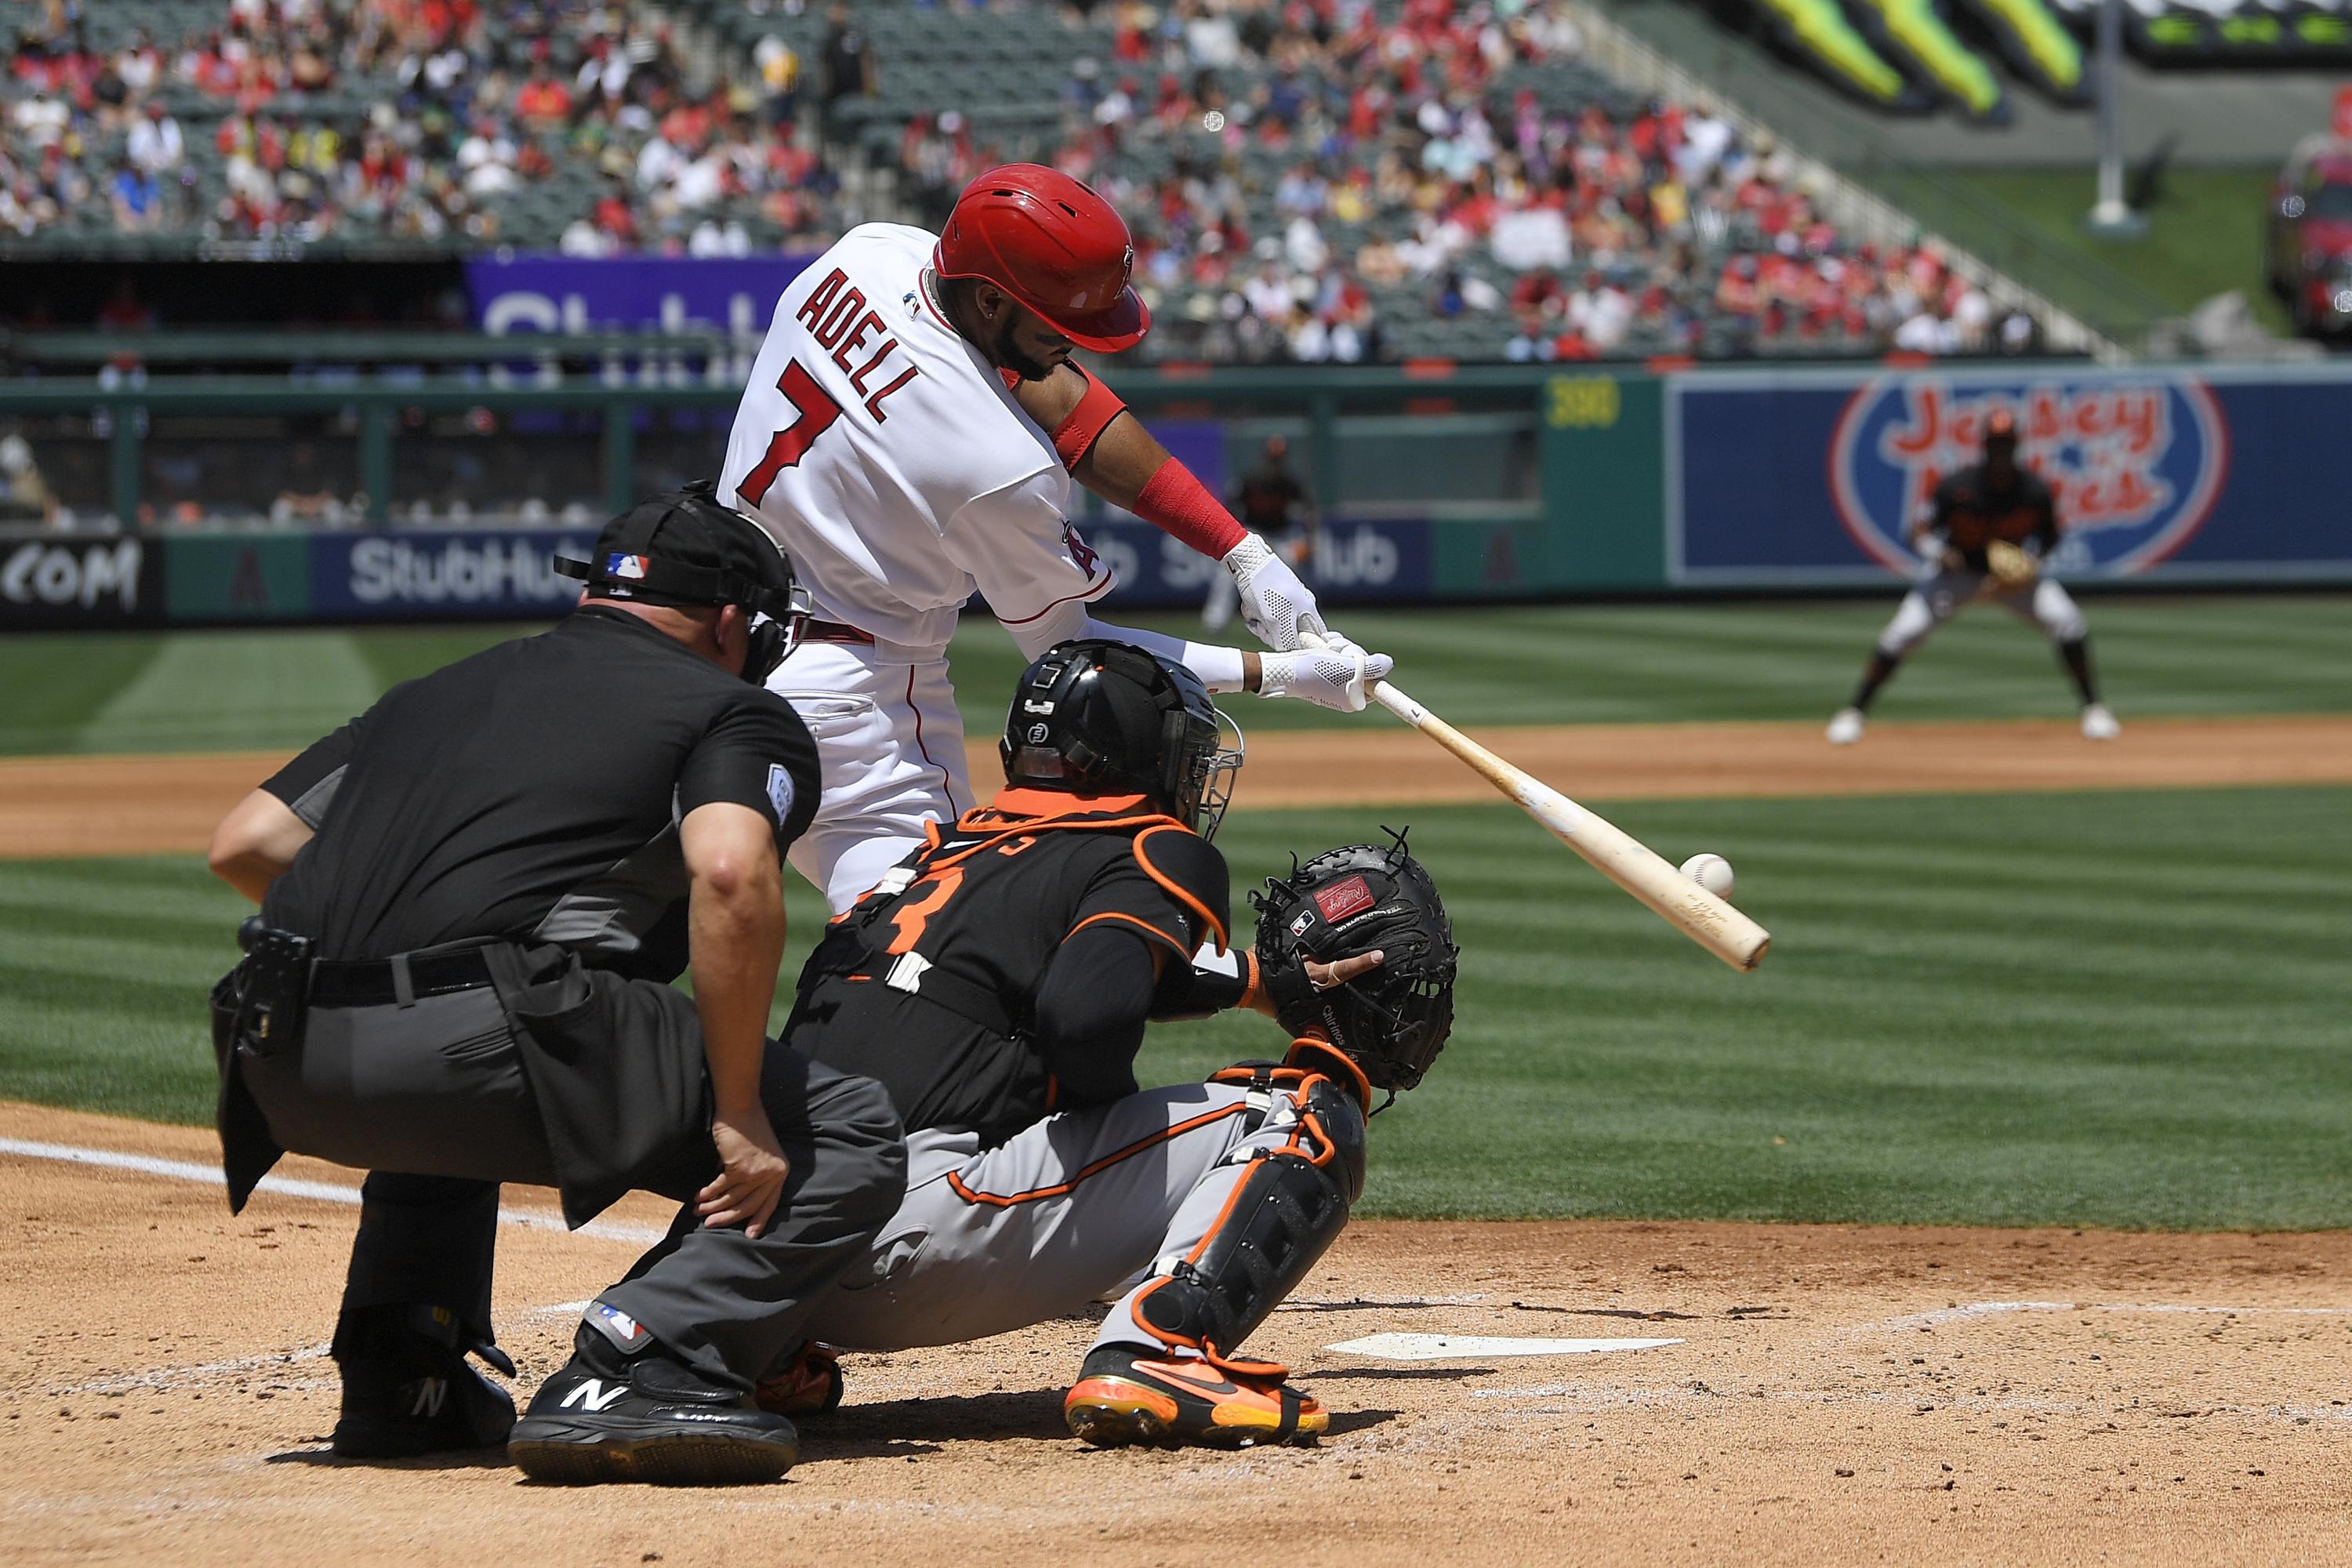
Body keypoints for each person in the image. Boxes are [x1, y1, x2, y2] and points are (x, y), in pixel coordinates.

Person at [202, 486, 907, 1486]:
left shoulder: (432, 691)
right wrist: (741, 1109)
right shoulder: (734, 708)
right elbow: (729, 875)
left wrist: (404, 950)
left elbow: (247, 843)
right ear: (732, 622)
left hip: (280, 1056)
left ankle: (403, 1375)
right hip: (471, 1051)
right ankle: (642, 1361)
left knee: (451, 1080)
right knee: (845, 1129)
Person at [759, 639, 1459, 1446]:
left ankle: (757, 1359)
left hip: (768, 1269)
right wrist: (1109, 1156)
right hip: (909, 1255)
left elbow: (1034, 981)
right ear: (1133, 752)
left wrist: (1256, 981)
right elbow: (1083, 1016)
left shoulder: (929, 859)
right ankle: (1160, 1347)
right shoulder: (1148, 847)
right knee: (1303, 1112)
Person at [719, 163, 1392, 915]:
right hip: (855, 703)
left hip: (716, 638)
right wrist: (1282, 674)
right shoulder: (997, 466)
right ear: (990, 300)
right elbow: (1069, 651)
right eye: (1056, 328)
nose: (1073, 347)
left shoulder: (870, 252)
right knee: (948, 952)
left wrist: (1240, 549)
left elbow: (1065, 399)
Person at [1827, 408, 2118, 744]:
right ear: (1984, 446)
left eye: (2006, 444)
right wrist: (1939, 554)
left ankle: (2094, 708)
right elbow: (1918, 531)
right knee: (1901, 634)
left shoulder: (2034, 491)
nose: (2000, 451)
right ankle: (1854, 712)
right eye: (1995, 444)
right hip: (1957, 574)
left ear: (2016, 446)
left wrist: (2030, 564)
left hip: (2010, 580)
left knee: (2068, 622)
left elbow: (2051, 536)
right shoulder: (1957, 487)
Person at [1202, 434, 1316, 633]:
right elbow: (1231, 506)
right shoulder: (1251, 480)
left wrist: (1307, 541)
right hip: (1253, 533)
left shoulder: (1290, 482)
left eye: (1278, 459)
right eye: (1273, 459)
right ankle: (1215, 620)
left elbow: (1310, 511)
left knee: (1293, 571)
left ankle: (1299, 622)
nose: (1275, 463)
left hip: (1281, 535)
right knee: (1227, 572)